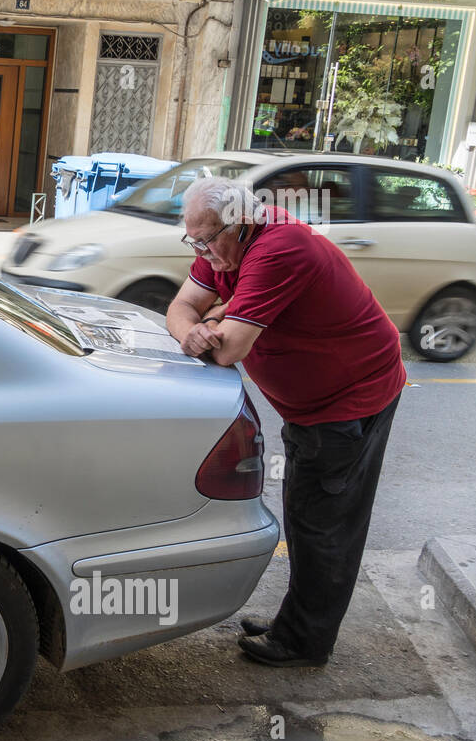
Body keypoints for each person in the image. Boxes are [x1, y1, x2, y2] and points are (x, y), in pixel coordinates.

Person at [165, 177, 406, 668]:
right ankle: (296, 623)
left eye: (207, 239)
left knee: (323, 522)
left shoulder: (279, 248)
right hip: (316, 405)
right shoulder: (224, 247)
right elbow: (180, 307)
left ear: (242, 222)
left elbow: (229, 349)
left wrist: (209, 327)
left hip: (348, 401)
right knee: (307, 514)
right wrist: (195, 330)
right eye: (193, 239)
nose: (201, 250)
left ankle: (304, 642)